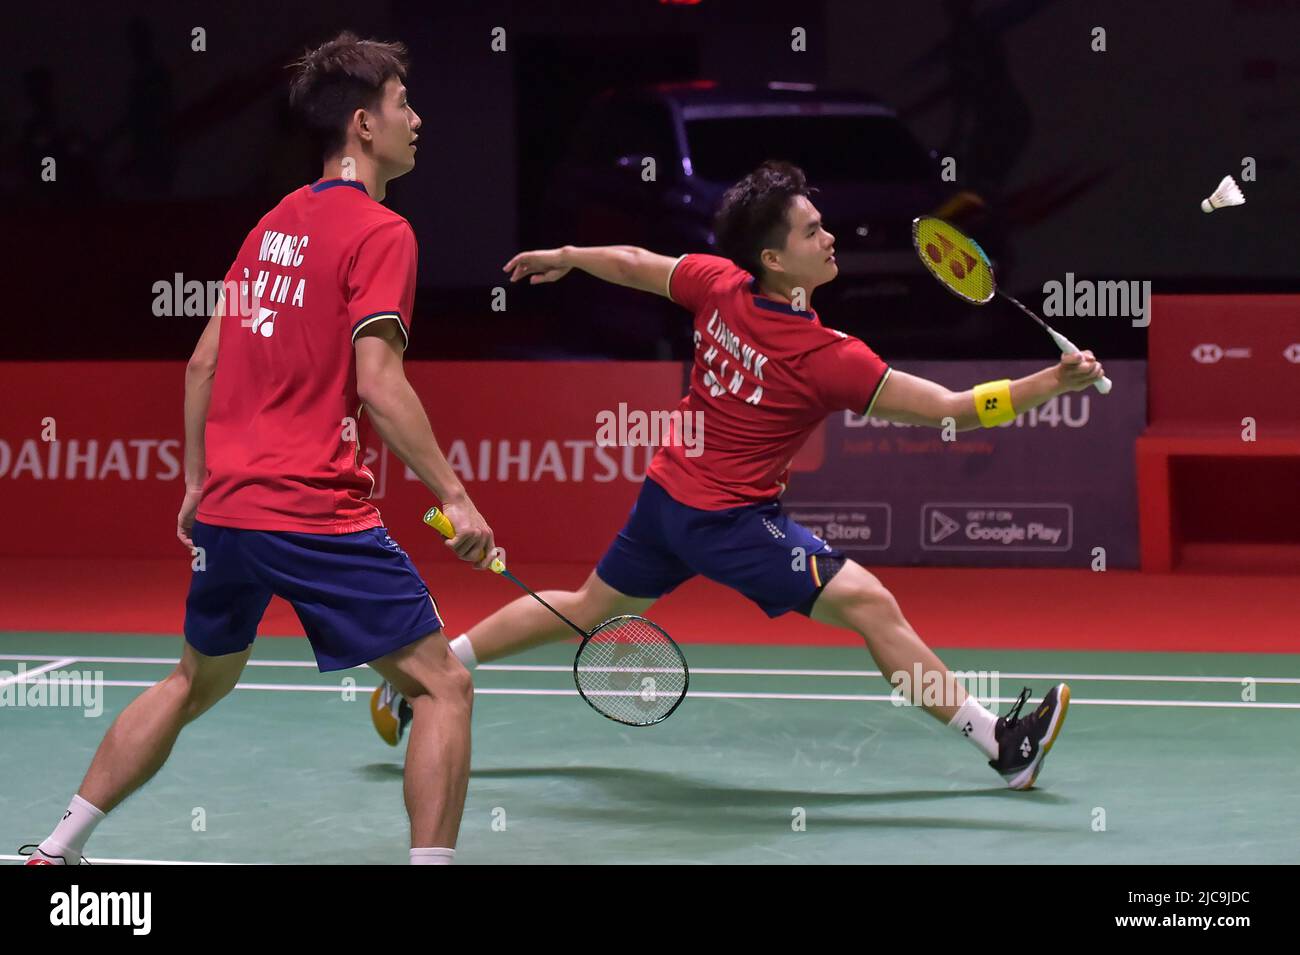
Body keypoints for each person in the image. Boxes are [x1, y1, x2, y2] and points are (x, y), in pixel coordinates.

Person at [373, 161, 1103, 792]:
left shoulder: (718, 285)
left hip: (665, 497)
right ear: (775, 259)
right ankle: (1003, 745)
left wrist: (568, 252)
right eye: (812, 230)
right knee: (872, 605)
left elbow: (632, 260)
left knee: (587, 609)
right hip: (728, 523)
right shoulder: (829, 357)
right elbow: (951, 410)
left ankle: (423, 672)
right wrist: (1050, 382)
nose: (830, 237)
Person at [22, 31, 497, 867]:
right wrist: (455, 495)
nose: (417, 120)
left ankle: (58, 846)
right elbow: (380, 383)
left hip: (233, 512)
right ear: (362, 124)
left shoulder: (272, 222)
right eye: (402, 104)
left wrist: (198, 482)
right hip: (311, 509)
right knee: (442, 683)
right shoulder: (383, 232)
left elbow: (203, 358)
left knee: (192, 681)